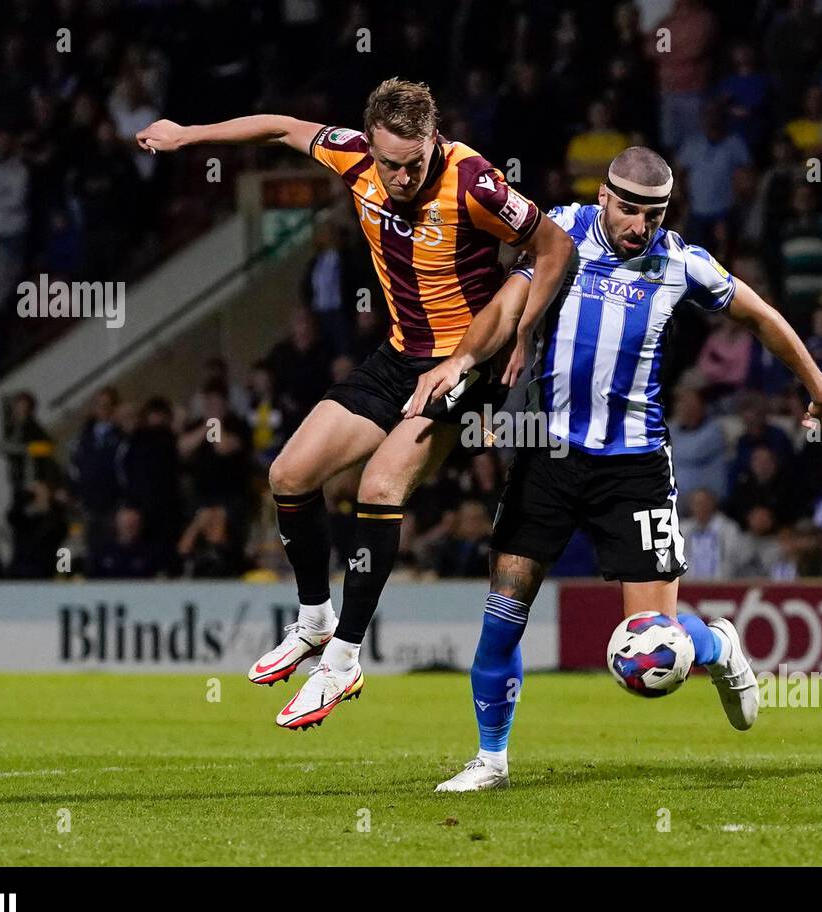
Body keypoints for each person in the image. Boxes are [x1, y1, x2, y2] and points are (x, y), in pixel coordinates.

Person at [138, 78, 574, 730]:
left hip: (465, 365)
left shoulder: (475, 181)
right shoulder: (352, 155)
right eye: (389, 162)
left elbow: (554, 247)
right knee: (288, 474)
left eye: (413, 162)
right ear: (369, 143)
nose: (400, 176)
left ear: (434, 138)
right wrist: (188, 135)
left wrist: (521, 330)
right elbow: (282, 124)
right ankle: (315, 619)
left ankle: (343, 660)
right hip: (399, 356)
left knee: (378, 484)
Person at [406, 147, 822, 791]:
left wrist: (817, 385)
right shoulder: (560, 233)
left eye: (655, 213)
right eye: (630, 209)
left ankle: (717, 645)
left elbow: (760, 316)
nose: (641, 226)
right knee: (503, 611)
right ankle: (491, 758)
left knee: (653, 650)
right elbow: (504, 303)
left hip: (633, 467)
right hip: (548, 456)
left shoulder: (680, 261)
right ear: (603, 198)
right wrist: (464, 362)